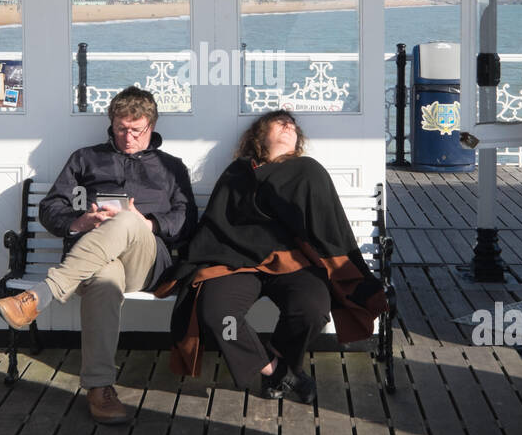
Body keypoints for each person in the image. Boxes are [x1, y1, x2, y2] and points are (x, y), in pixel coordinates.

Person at [0, 87, 197, 425]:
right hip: (94, 262)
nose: (127, 137)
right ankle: (100, 388)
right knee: (104, 280)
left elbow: (188, 220)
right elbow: (50, 208)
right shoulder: (85, 159)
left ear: (152, 125)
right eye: (120, 128)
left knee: (128, 219)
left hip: (147, 262)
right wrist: (80, 220)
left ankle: (42, 293)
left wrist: (149, 223)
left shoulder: (170, 167)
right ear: (111, 124)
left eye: (136, 129)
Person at [161, 110, 388, 404]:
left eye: (292, 125)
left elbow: (327, 224)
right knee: (218, 313)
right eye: (279, 123)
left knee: (312, 310)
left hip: (293, 262)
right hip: (237, 262)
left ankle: (278, 362)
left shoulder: (307, 169)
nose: (288, 125)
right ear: (259, 136)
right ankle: (277, 370)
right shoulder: (238, 172)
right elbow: (219, 222)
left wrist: (340, 265)